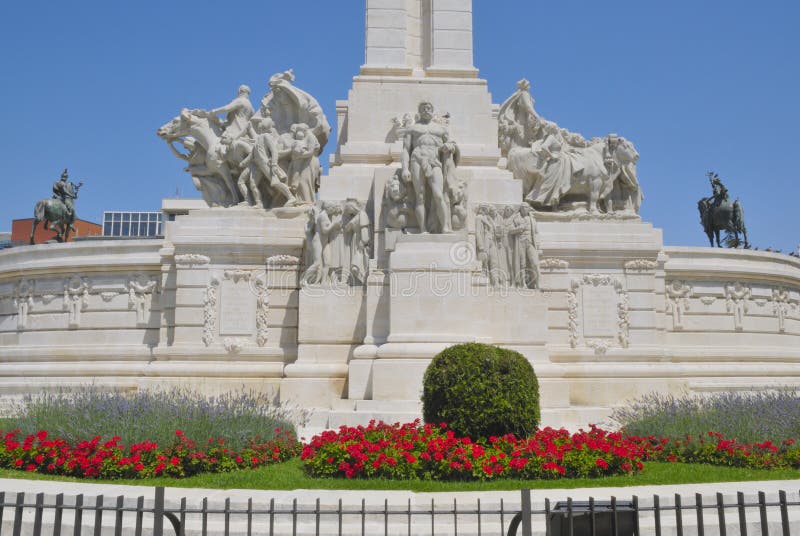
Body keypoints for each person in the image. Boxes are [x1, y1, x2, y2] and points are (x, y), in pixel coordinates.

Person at [400, 102, 458, 234]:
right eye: (423, 109)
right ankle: (423, 229)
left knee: (438, 195)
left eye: (429, 108)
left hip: (434, 159)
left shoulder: (441, 129)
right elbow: (405, 149)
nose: (426, 111)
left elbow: (451, 145)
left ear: (432, 111)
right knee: (420, 196)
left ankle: (445, 227)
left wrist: (449, 147)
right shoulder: (412, 129)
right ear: (419, 112)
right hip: (417, 158)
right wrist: (405, 168)